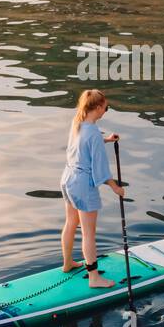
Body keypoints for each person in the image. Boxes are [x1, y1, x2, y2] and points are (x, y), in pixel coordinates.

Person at [60, 89, 124, 288]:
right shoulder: (93, 133)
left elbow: (85, 143)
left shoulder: (77, 122)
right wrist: (116, 188)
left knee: (71, 222)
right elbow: (101, 171)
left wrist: (105, 139)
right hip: (82, 184)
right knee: (89, 233)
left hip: (67, 178)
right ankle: (94, 278)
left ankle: (67, 263)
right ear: (97, 108)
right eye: (106, 108)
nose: (106, 111)